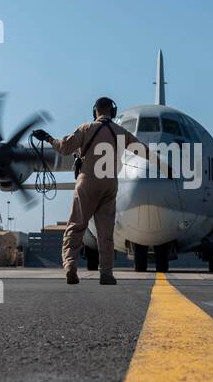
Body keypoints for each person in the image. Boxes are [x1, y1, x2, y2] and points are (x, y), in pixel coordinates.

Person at [33, 97, 144, 285]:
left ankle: (70, 267)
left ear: (96, 111)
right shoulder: (120, 132)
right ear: (113, 112)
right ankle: (106, 274)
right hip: (110, 184)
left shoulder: (86, 128)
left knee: (76, 227)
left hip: (87, 182)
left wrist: (48, 138)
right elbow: (141, 150)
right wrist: (164, 166)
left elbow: (64, 148)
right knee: (106, 233)